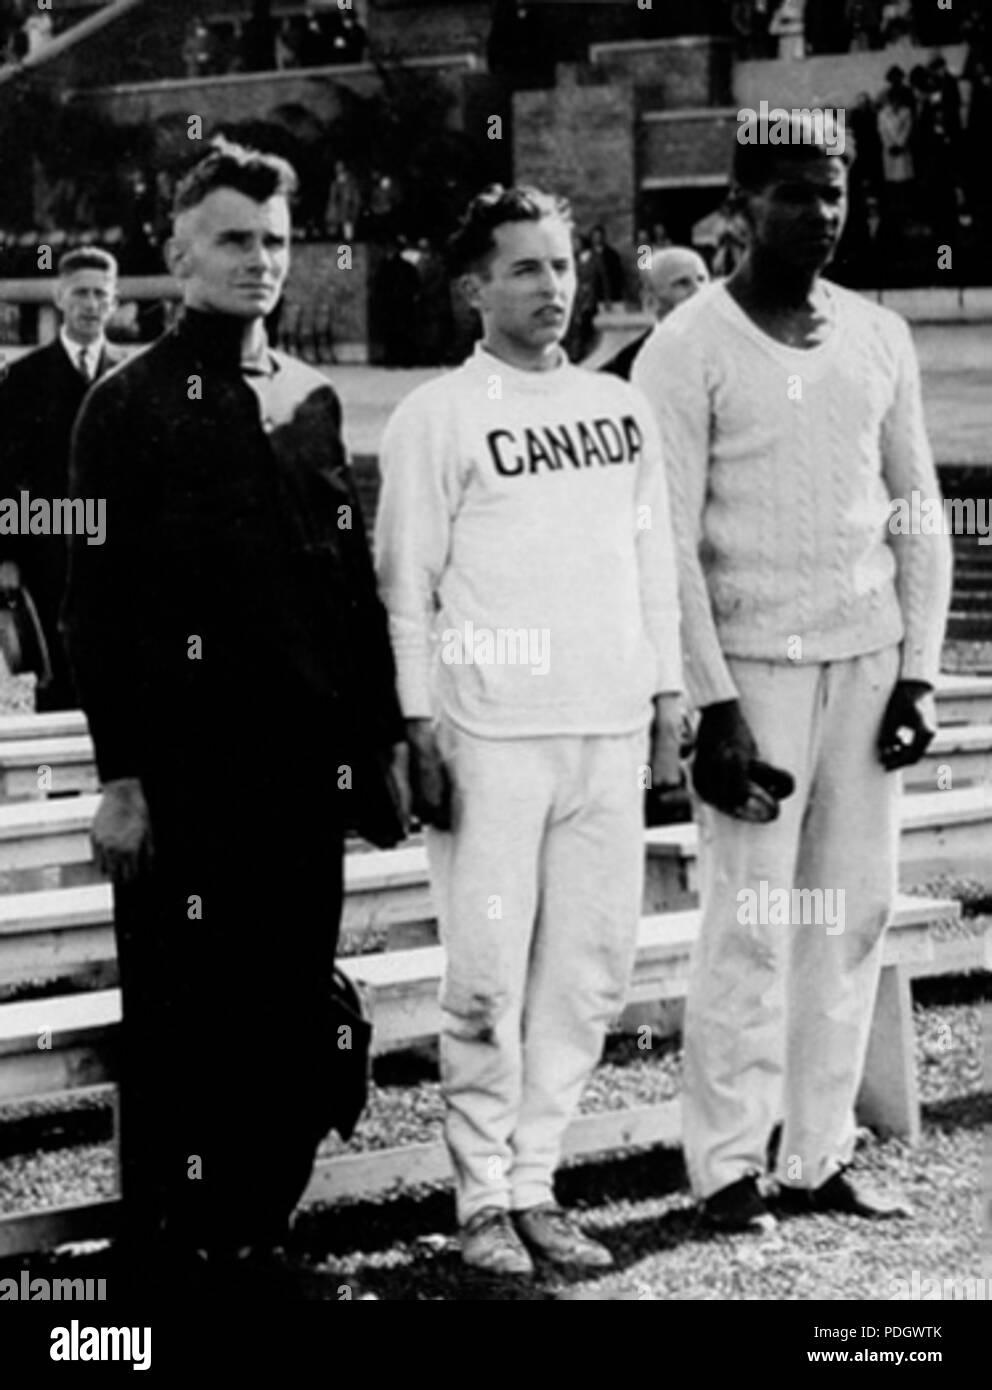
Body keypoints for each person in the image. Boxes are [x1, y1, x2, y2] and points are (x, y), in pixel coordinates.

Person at [62, 141, 405, 1299]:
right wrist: (122, 778)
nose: (258, 261)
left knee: (287, 1003)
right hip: (183, 775)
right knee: (184, 1014)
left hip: (300, 774)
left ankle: (261, 1230)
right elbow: (94, 607)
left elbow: (348, 593)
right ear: (177, 252)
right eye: (233, 240)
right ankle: (179, 1242)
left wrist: (380, 744)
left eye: (274, 241)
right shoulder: (126, 404)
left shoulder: (311, 397)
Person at [633, 118, 951, 1234]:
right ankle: (723, 1164)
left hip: (864, 668)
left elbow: (915, 511)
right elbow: (662, 542)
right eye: (790, 195)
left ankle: (817, 1155)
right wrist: (708, 703)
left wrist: (917, 669)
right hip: (753, 678)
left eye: (833, 193)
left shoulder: (876, 335)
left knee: (848, 919)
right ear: (735, 204)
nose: (817, 214)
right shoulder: (684, 345)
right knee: (752, 925)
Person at [374, 185, 683, 1277]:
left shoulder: (621, 409)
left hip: (603, 730)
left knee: (588, 972)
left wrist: (666, 700)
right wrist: (416, 726)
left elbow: (655, 567)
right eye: (523, 269)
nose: (550, 288)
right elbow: (404, 587)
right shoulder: (436, 417)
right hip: (489, 736)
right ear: (471, 289)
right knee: (488, 978)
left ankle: (539, 1183)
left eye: (560, 267)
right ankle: (479, 1198)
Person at [0, 248, 125, 710]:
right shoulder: (21, 379)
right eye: (80, 294)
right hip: (49, 549)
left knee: (118, 675)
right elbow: (5, 473)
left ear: (115, 302)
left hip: (118, 554)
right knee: (57, 674)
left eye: (100, 295)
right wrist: (7, 556)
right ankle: (60, 780)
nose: (91, 305)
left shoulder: (131, 376)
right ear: (60, 297)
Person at [601, 246, 710, 379]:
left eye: (702, 280)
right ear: (650, 301)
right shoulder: (621, 373)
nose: (699, 291)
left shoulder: (730, 351)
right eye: (682, 283)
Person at [588, 224, 625, 309]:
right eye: (594, 236)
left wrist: (611, 296)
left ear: (603, 237)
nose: (597, 239)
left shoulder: (612, 255)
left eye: (599, 236)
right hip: (591, 297)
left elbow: (617, 276)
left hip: (609, 297)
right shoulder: (587, 254)